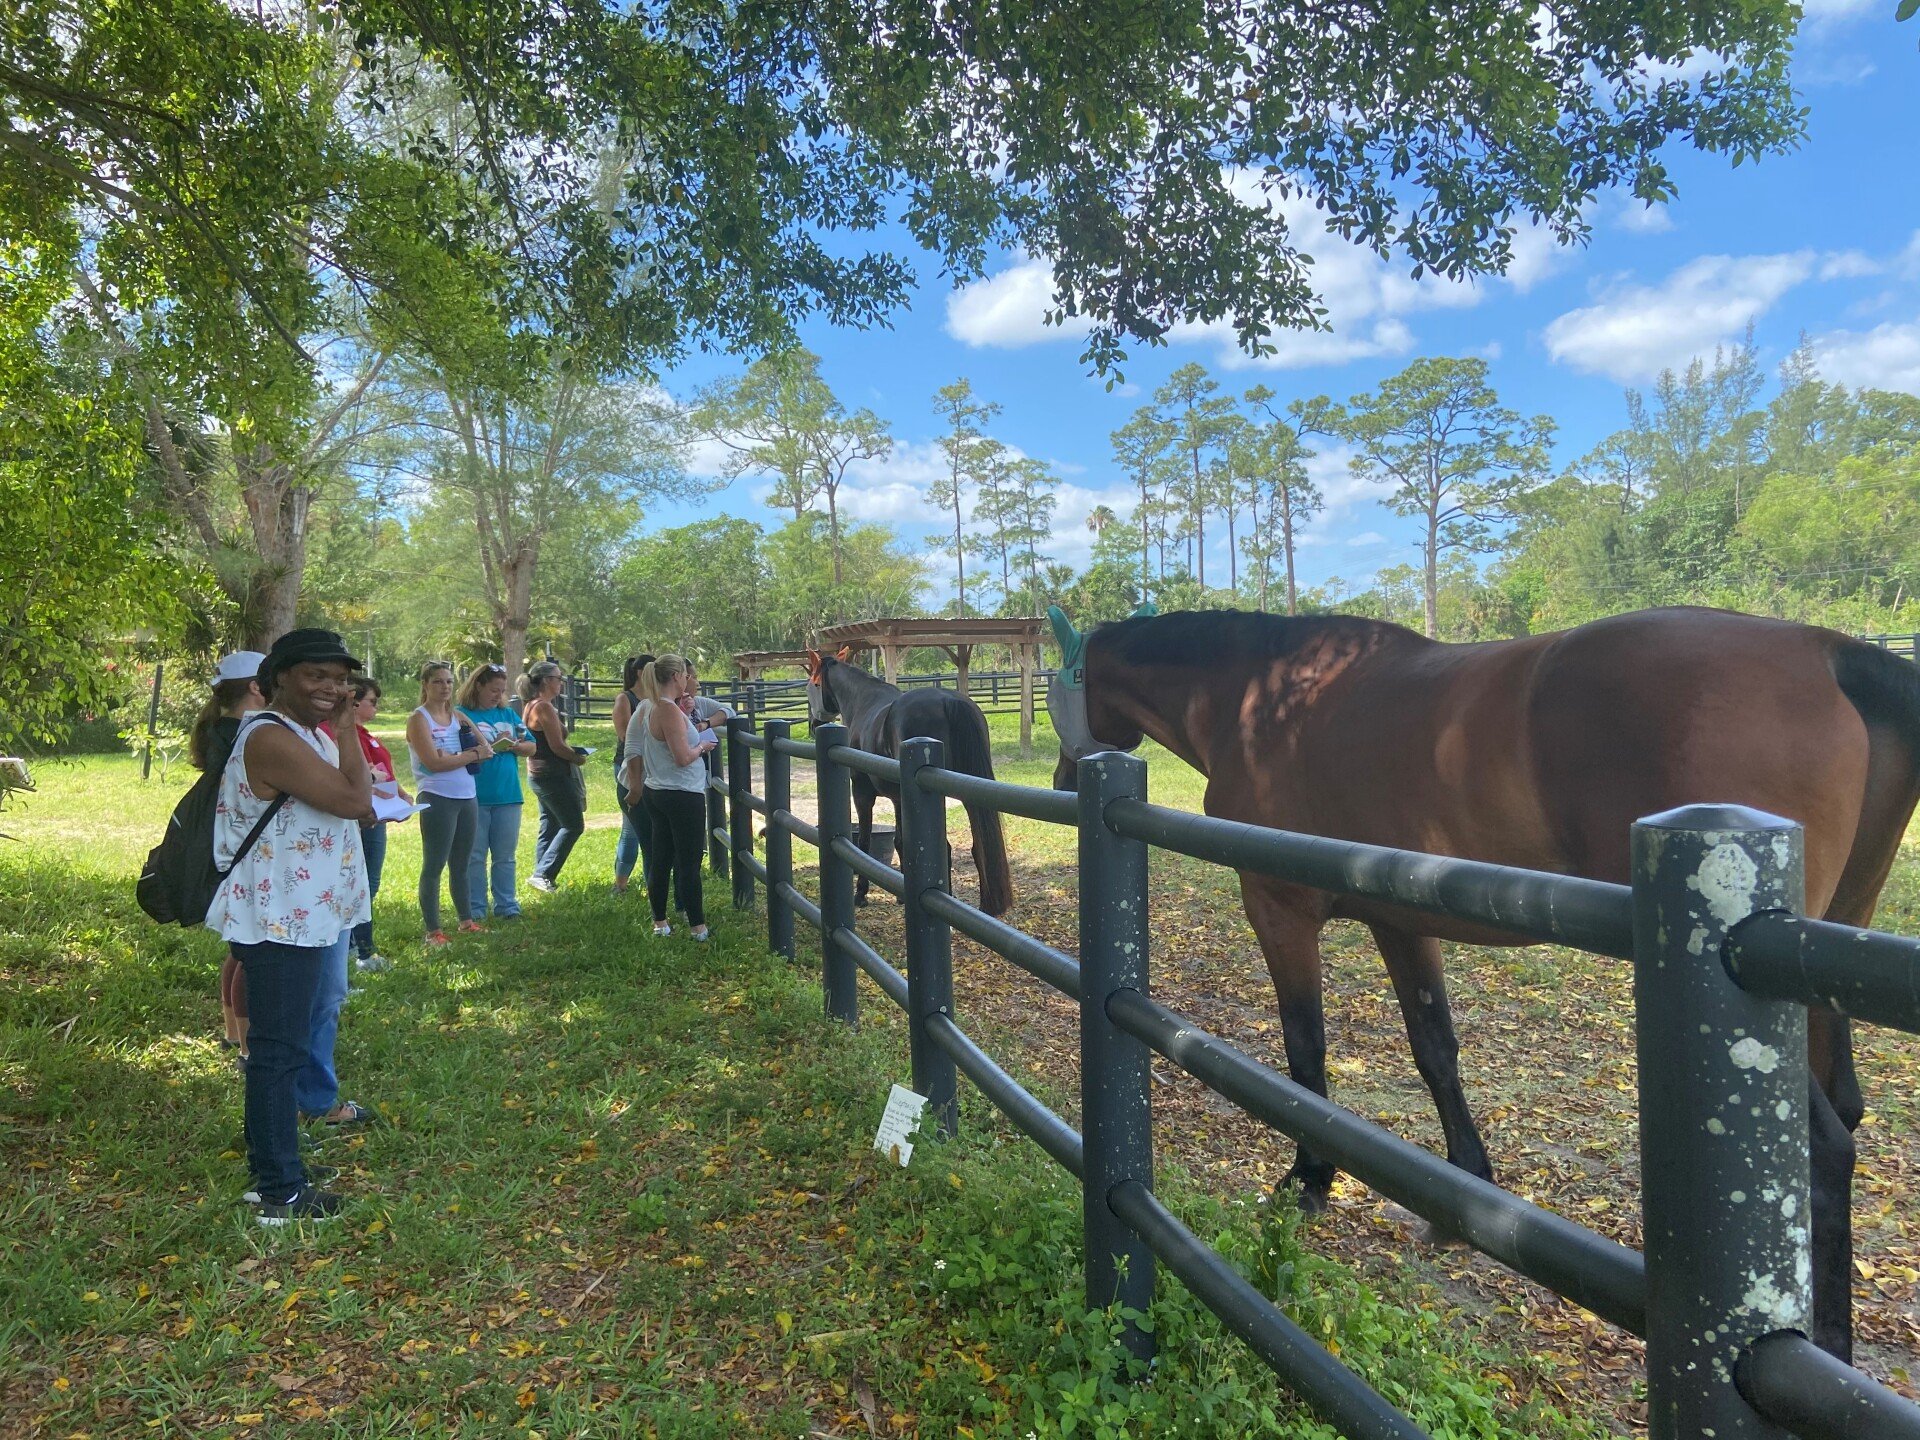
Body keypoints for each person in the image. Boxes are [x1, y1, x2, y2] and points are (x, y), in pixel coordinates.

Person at [206, 628, 373, 1225]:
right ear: (278, 679)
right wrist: (351, 740)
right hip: (276, 915)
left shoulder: (308, 734)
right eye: (316, 676)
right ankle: (279, 1191)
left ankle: (276, 1165)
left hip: (302, 911)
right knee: (277, 1051)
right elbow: (358, 802)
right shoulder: (271, 737)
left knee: (284, 1045)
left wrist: (346, 732)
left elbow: (363, 797)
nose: (333, 687)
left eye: (340, 677)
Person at [190, 651, 265, 1068]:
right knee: (250, 954)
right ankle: (248, 1047)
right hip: (244, 851)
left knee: (239, 952)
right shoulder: (247, 732)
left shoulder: (222, 728)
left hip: (230, 846)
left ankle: (233, 1036)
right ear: (257, 687)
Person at [407, 661, 487, 944]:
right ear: (426, 685)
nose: (445, 687)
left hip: (467, 795)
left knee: (461, 863)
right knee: (434, 864)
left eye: (449, 682)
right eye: (438, 682)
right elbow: (432, 763)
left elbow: (487, 750)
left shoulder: (459, 716)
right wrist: (466, 756)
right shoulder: (419, 719)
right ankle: (433, 930)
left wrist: (452, 756)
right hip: (437, 796)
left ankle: (466, 921)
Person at [637, 654, 717, 940]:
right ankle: (698, 926)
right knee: (689, 861)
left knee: (662, 858)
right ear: (675, 677)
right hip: (682, 792)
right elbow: (682, 756)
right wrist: (703, 748)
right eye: (685, 674)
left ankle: (660, 921)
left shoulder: (653, 706)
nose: (688, 679)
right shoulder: (667, 709)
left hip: (657, 790)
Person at [457, 664, 536, 920]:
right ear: (477, 686)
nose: (497, 695)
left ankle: (507, 905)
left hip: (508, 794)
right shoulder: (461, 714)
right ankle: (476, 909)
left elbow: (531, 746)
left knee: (505, 856)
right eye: (493, 690)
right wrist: (488, 747)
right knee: (474, 856)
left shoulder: (509, 714)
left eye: (501, 691)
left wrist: (513, 745)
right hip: (475, 794)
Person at [345, 677, 412, 971]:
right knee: (362, 884)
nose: (375, 706)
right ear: (354, 701)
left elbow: (383, 771)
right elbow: (363, 775)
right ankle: (361, 950)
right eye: (372, 701)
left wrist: (400, 794)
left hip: (378, 813)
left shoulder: (364, 733)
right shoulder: (347, 736)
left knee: (368, 884)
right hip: (363, 816)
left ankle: (355, 945)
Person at [523, 660, 590, 892]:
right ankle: (544, 873)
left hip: (539, 774)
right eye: (558, 678)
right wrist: (577, 758)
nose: (561, 682)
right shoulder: (543, 707)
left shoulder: (532, 705)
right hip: (551, 774)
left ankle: (539, 876)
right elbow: (557, 747)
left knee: (550, 824)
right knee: (573, 825)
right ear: (546, 681)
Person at [611, 653, 655, 895]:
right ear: (641, 672)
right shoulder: (625, 699)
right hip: (628, 767)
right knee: (630, 828)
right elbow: (625, 737)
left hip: (653, 767)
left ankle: (652, 883)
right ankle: (621, 883)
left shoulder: (656, 699)